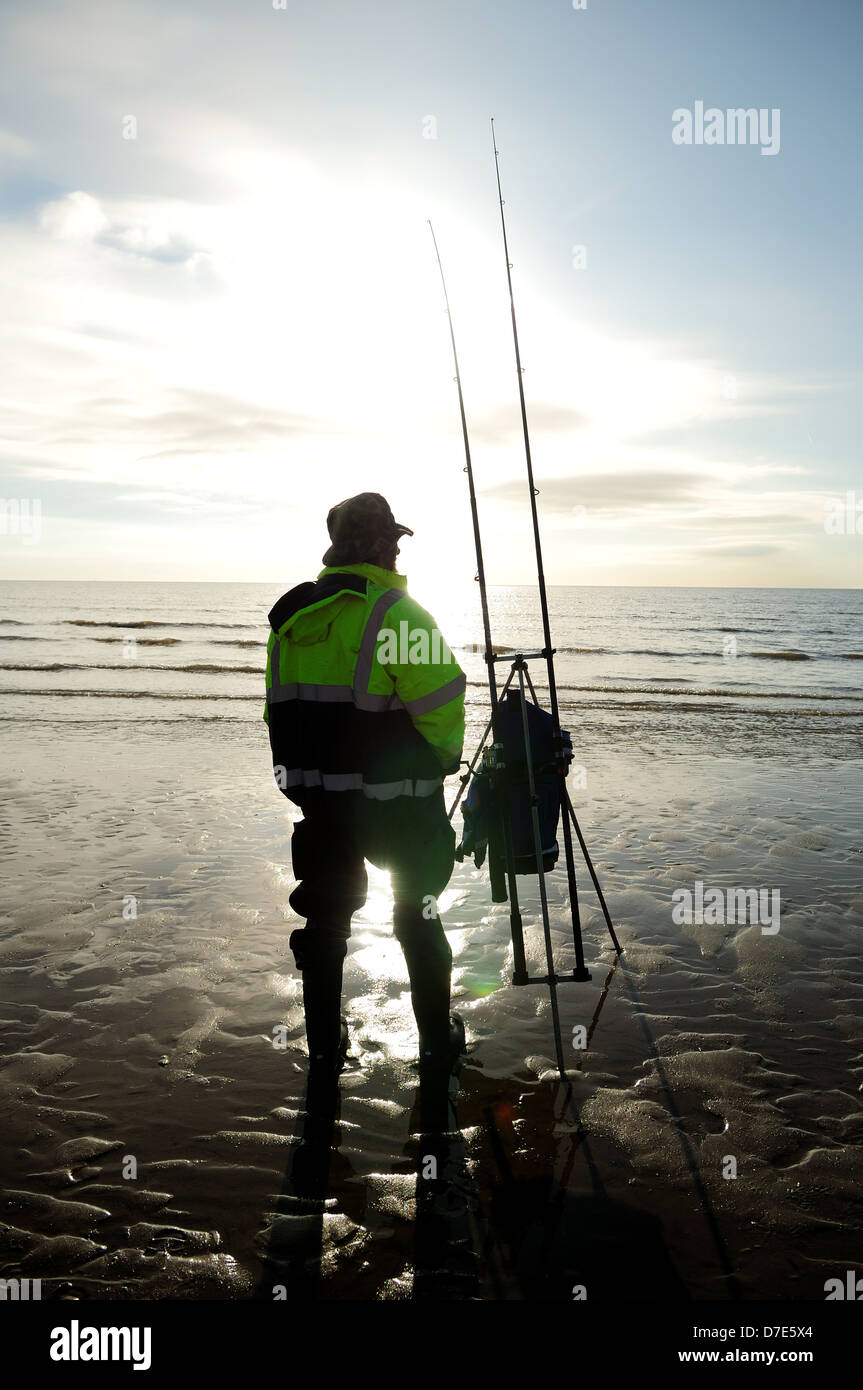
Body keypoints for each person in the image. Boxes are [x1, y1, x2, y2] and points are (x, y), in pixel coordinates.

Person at [264, 492, 467, 1106]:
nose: (399, 550)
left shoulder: (293, 619)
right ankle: (436, 1039)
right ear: (379, 545)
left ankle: (326, 1045)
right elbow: (441, 706)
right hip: (398, 805)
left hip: (321, 804)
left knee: (325, 921)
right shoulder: (397, 614)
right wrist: (443, 762)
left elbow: (278, 711)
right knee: (418, 911)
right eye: (394, 541)